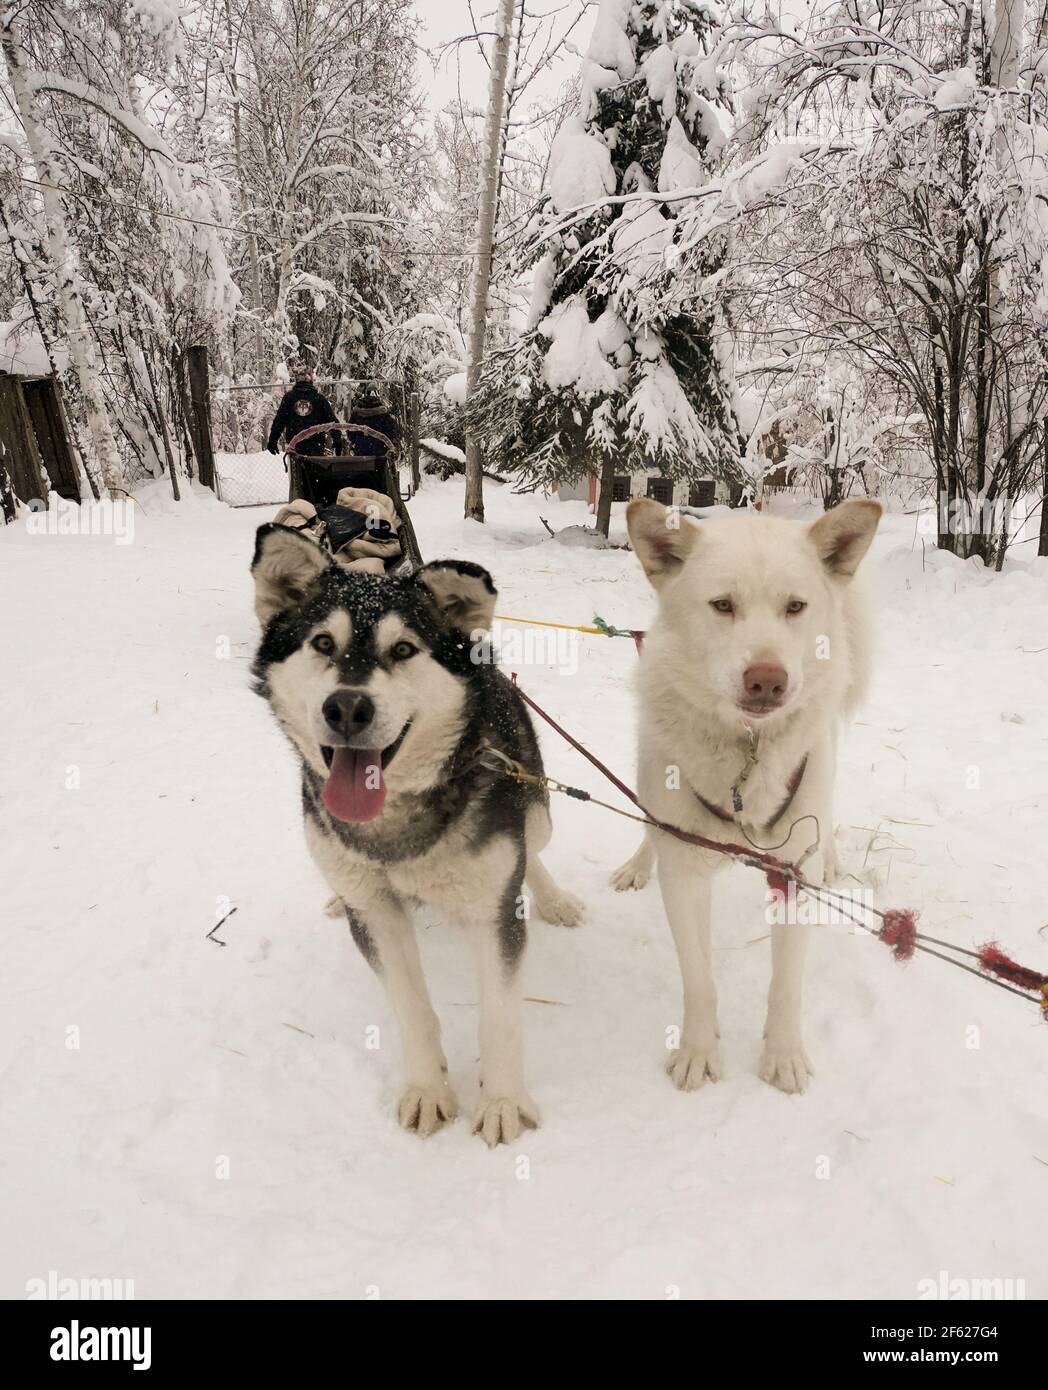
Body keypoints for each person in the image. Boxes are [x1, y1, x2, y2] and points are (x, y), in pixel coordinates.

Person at [266, 366, 342, 458]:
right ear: (310, 380)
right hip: (315, 446)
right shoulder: (319, 399)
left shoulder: (289, 398)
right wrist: (337, 440)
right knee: (316, 471)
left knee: (297, 471)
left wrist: (273, 440)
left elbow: (280, 420)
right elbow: (332, 421)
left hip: (295, 446)